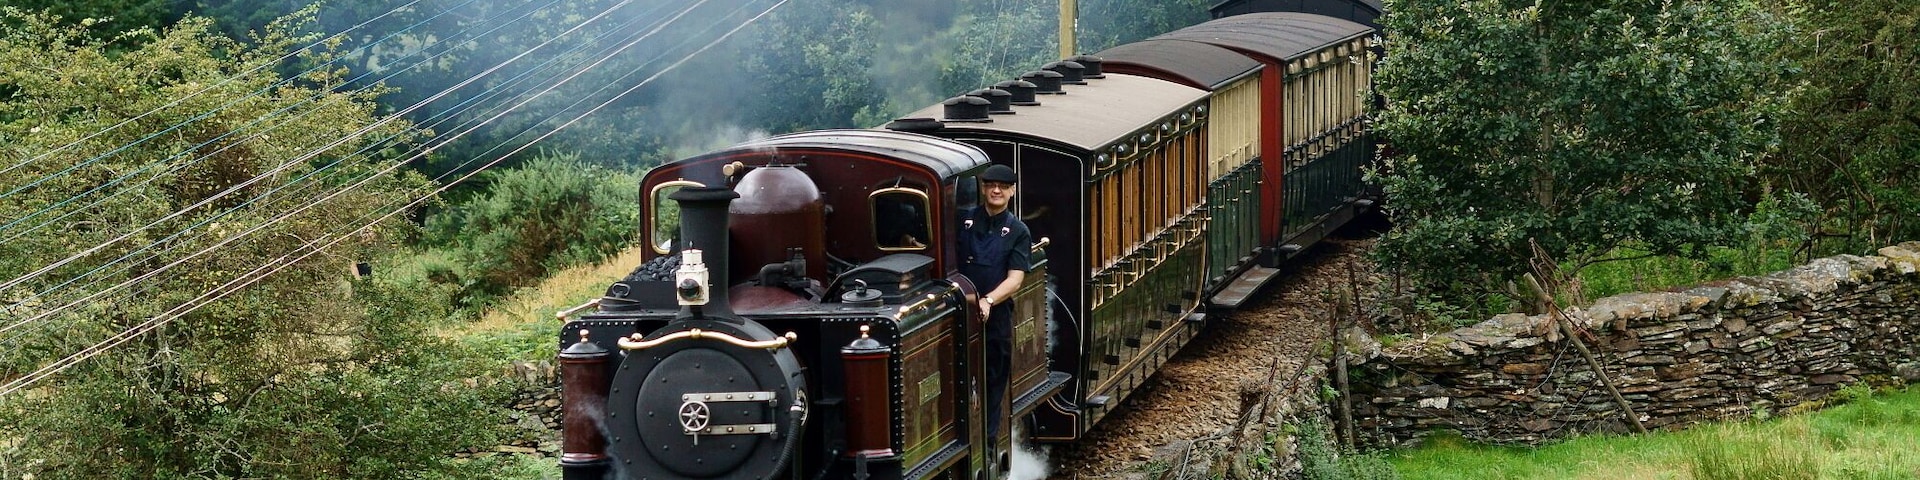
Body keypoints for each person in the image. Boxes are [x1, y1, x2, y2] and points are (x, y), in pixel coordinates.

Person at [957, 163, 1031, 446]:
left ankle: (988, 442)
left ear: (1011, 191)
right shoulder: (964, 221)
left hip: (994, 316)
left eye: (1002, 187)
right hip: (960, 311)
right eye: (990, 186)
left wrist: (988, 301)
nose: (996, 191)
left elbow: (1015, 279)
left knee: (993, 378)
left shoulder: (1017, 231)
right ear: (983, 188)